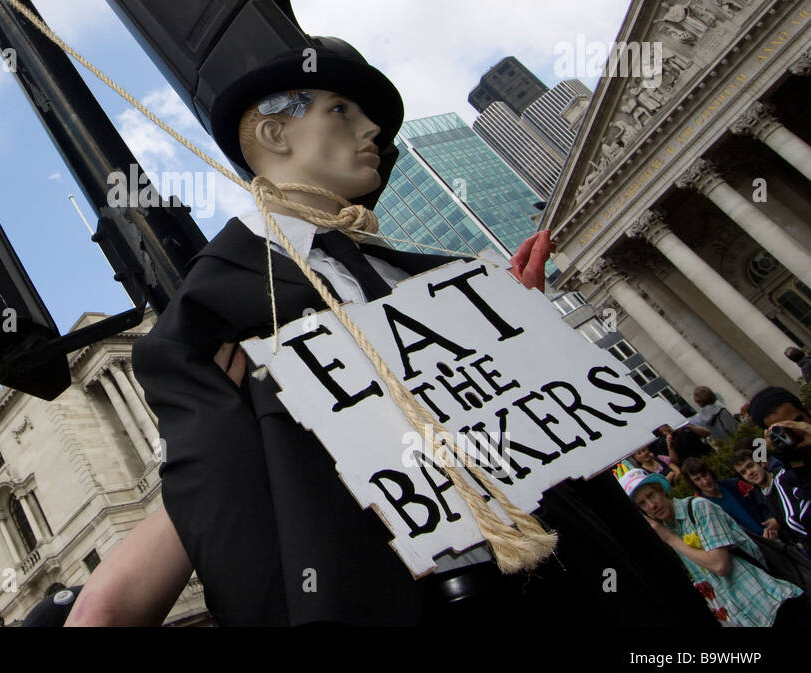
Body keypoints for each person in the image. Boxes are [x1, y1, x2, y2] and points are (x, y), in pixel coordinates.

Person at [72, 38, 715, 627]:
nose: (373, 130)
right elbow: (233, 523)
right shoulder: (208, 324)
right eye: (343, 110)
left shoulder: (442, 280)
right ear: (273, 131)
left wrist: (522, 334)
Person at [622, 468, 806, 626]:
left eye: (651, 495)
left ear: (661, 490)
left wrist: (670, 539)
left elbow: (720, 565)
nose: (652, 505)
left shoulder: (697, 508)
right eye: (642, 504)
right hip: (747, 618)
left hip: (773, 604)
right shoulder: (669, 530)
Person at [732, 437, 811, 552]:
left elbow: (795, 520)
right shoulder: (766, 496)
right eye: (743, 472)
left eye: (750, 466)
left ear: (762, 463)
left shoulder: (785, 477)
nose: (749, 473)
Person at [680, 457, 776, 540]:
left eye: (705, 475)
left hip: (772, 532)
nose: (705, 481)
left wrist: (771, 518)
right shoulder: (703, 506)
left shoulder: (735, 484)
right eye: (698, 479)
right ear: (692, 483)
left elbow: (763, 502)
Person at [746, 386, 811, 481]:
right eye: (786, 431)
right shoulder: (786, 476)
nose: (798, 430)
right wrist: (794, 462)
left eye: (798, 421)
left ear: (806, 411)